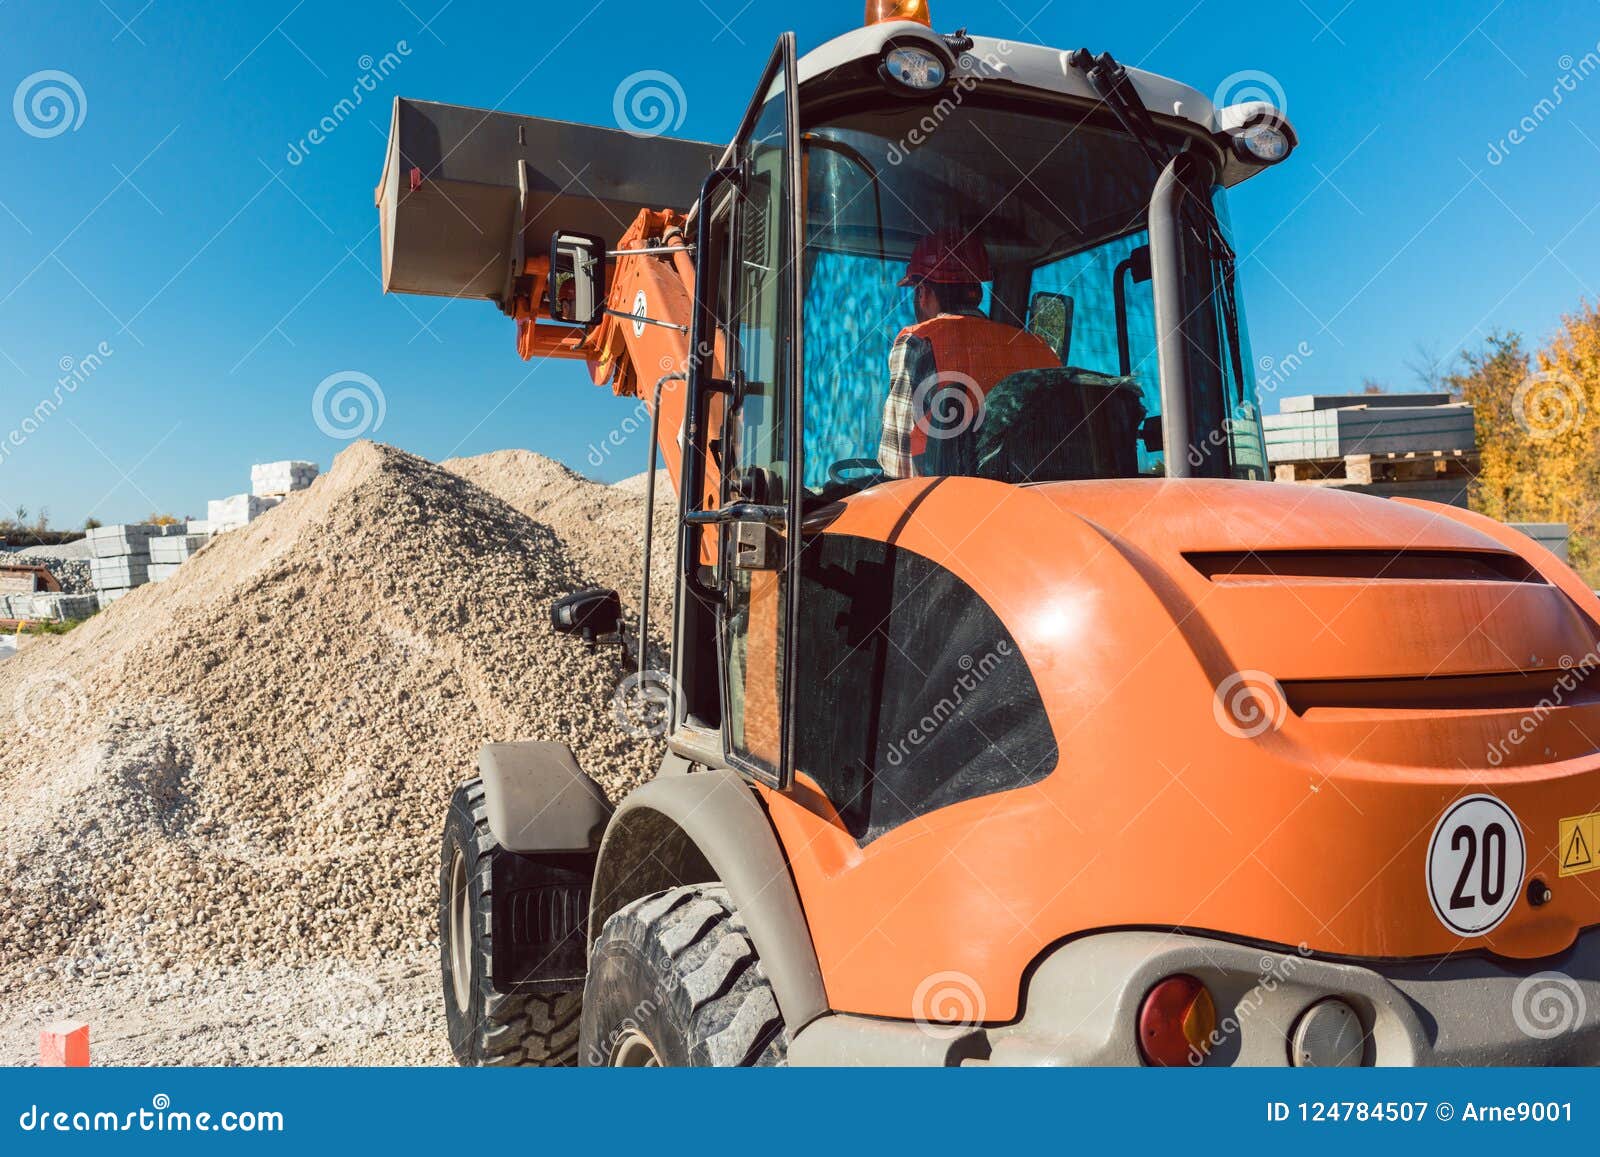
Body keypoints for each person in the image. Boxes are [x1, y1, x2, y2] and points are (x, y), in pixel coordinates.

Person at [877, 229, 1059, 478]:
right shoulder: (1040, 349)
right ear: (978, 293)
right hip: (1035, 508)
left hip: (948, 510)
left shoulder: (919, 343)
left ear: (923, 292)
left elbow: (897, 464)